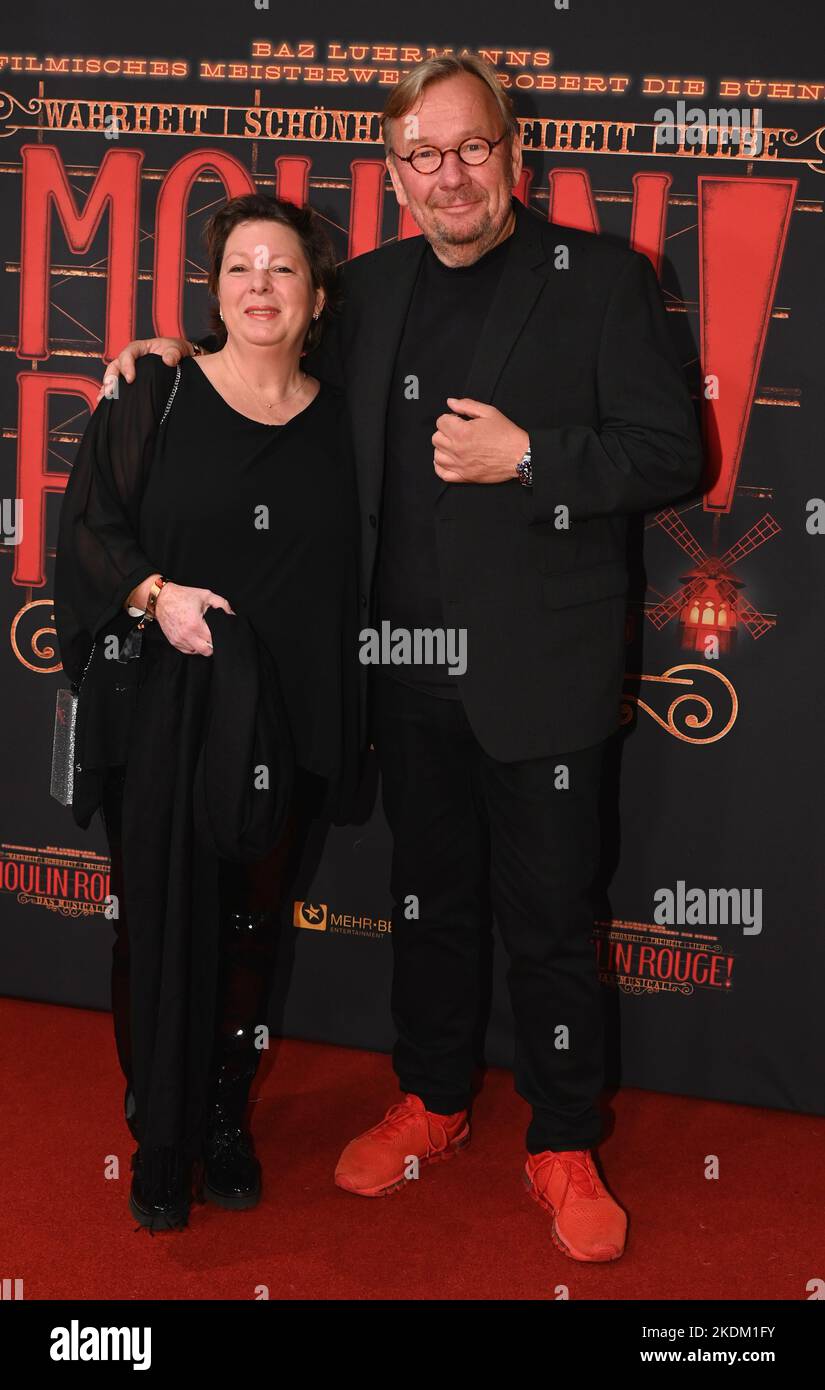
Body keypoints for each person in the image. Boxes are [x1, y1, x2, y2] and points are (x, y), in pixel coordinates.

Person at [100, 55, 704, 1262]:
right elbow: (264, 349)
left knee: (550, 918)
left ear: (512, 154)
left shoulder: (605, 281)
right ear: (394, 174)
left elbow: (671, 453)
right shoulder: (365, 289)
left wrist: (531, 458)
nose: (450, 176)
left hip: (544, 672)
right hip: (401, 672)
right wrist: (165, 356)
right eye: (423, 156)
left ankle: (566, 1137)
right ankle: (433, 1100)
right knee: (430, 908)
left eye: (471, 148)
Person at [54, 192, 362, 1232]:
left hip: (296, 723)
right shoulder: (154, 390)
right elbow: (90, 531)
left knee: (248, 935)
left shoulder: (350, 415)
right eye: (240, 266)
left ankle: (226, 1117)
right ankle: (161, 1132)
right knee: (154, 927)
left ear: (317, 296)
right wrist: (154, 594)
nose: (262, 285)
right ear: (215, 288)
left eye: (283, 268)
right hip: (168, 715)